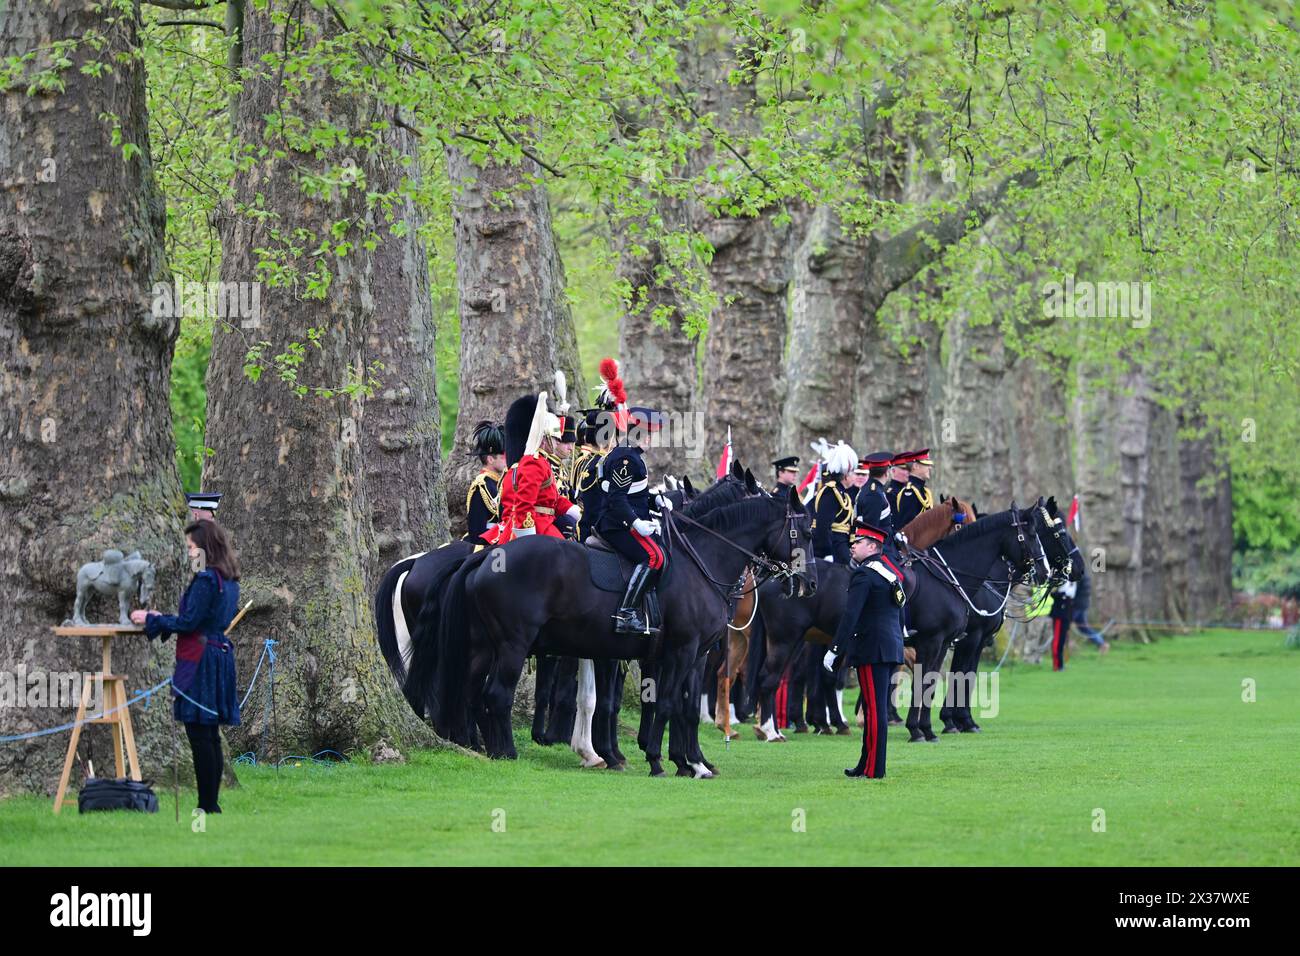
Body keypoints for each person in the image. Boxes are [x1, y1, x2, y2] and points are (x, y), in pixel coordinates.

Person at [130, 521, 241, 814]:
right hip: (219, 655)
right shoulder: (229, 579)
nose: (189, 553)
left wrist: (152, 618)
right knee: (210, 733)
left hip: (201, 660)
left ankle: (206, 804)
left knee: (200, 733)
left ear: (205, 547)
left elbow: (189, 622)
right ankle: (210, 803)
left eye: (191, 547)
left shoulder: (207, 579)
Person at [594, 357, 671, 636]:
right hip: (616, 524)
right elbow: (617, 499)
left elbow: (636, 494)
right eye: (649, 435)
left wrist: (655, 501)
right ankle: (626, 613)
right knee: (654, 558)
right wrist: (636, 524)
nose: (651, 440)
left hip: (627, 518)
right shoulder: (627, 459)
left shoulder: (633, 457)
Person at [824, 520, 906, 778]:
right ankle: (866, 763)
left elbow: (851, 614)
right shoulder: (889, 572)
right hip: (888, 646)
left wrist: (835, 649)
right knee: (875, 708)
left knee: (874, 710)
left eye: (857, 542)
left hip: (872, 648)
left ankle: (874, 769)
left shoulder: (864, 574)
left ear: (872, 546)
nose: (852, 546)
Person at [483, 384, 582, 545]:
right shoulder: (533, 462)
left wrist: (576, 512)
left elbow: (555, 500)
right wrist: (527, 539)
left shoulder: (542, 462)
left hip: (545, 523)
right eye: (556, 439)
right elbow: (524, 504)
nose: (558, 444)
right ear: (545, 438)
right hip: (538, 527)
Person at [812, 440, 857, 565]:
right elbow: (823, 526)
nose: (855, 476)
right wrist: (827, 553)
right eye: (853, 473)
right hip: (833, 548)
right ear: (846, 476)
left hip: (841, 545)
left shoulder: (843, 493)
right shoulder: (831, 493)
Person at [464, 420, 505, 547]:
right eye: (503, 455)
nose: (508, 459)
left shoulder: (499, 483)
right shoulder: (481, 486)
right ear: (490, 459)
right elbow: (476, 534)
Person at [893, 448, 935, 529]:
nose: (929, 468)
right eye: (926, 465)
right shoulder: (909, 492)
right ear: (915, 466)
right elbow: (908, 526)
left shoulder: (923, 490)